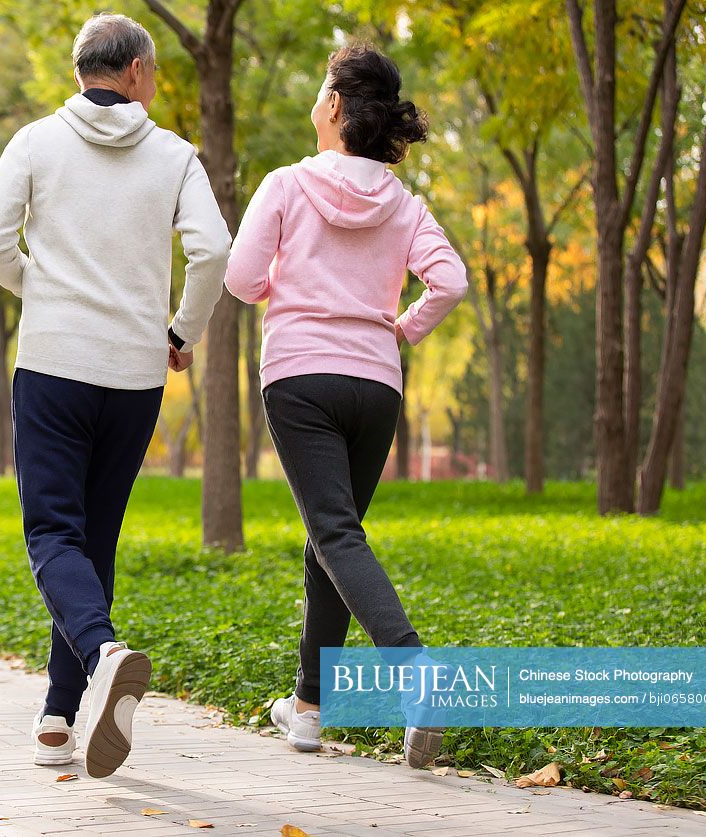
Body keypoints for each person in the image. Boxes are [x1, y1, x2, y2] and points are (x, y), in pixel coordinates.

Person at [0, 13, 229, 779]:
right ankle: (58, 716)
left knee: (53, 532)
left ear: (80, 70)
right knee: (93, 539)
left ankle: (103, 651)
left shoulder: (34, 141)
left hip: (53, 363)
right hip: (134, 373)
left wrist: (41, 290)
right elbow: (212, 251)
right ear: (138, 70)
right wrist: (180, 331)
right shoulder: (176, 156)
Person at [224, 44, 467, 769]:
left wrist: (287, 285)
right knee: (330, 536)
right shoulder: (404, 203)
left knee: (332, 533)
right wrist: (401, 328)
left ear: (332, 105)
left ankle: (416, 672)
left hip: (301, 376)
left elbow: (241, 280)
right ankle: (308, 708)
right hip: (375, 386)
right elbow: (449, 281)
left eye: (319, 89)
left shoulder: (285, 184)